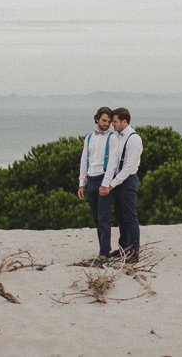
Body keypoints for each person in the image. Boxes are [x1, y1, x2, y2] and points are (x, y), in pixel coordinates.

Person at [77, 106, 122, 265]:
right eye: (104, 121)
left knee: (104, 218)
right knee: (96, 218)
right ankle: (103, 249)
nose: (107, 124)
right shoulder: (89, 137)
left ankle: (104, 253)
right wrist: (82, 183)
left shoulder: (113, 138)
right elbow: (84, 160)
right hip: (92, 180)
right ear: (97, 119)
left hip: (104, 179)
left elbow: (113, 163)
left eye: (109, 122)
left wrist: (106, 184)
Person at [103, 107, 143, 263]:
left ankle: (134, 252)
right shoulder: (116, 137)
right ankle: (123, 247)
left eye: (115, 121)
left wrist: (111, 185)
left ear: (124, 121)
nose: (112, 124)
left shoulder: (134, 139)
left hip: (128, 181)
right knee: (120, 216)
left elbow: (127, 168)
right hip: (117, 180)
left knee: (130, 217)